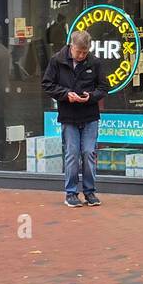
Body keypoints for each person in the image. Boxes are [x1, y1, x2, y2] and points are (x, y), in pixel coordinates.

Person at [41, 29, 107, 207]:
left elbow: (103, 87)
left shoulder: (94, 62)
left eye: (85, 52)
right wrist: (65, 94)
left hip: (90, 115)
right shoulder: (57, 60)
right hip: (68, 115)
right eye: (79, 52)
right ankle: (71, 193)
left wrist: (91, 97)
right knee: (72, 153)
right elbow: (47, 84)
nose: (81, 55)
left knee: (88, 152)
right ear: (71, 46)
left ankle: (90, 192)